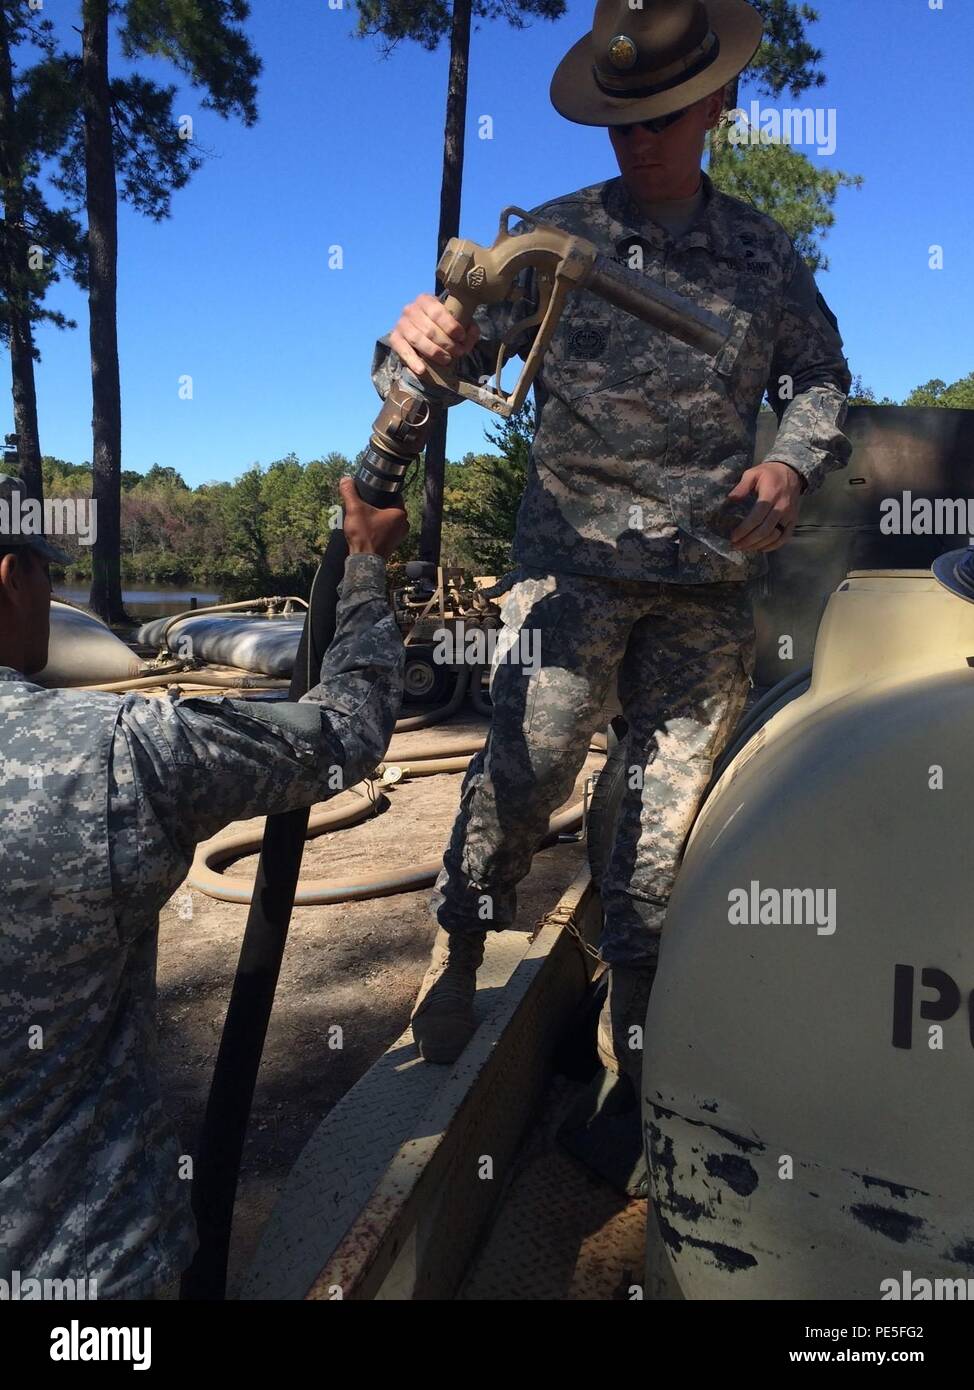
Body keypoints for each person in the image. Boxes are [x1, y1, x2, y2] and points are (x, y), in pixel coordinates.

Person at [371, 0, 852, 1082]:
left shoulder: (759, 256)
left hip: (704, 577)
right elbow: (428, 374)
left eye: (663, 113)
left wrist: (790, 463)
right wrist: (411, 342)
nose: (638, 137)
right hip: (568, 574)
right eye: (620, 118)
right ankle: (459, 946)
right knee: (521, 772)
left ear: (715, 102)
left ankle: (628, 1020)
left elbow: (817, 379)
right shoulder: (550, 238)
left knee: (661, 815)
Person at [0, 472, 408, 1299]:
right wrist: (365, 568)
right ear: (14, 578)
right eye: (48, 568)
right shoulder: (115, 748)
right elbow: (343, 731)